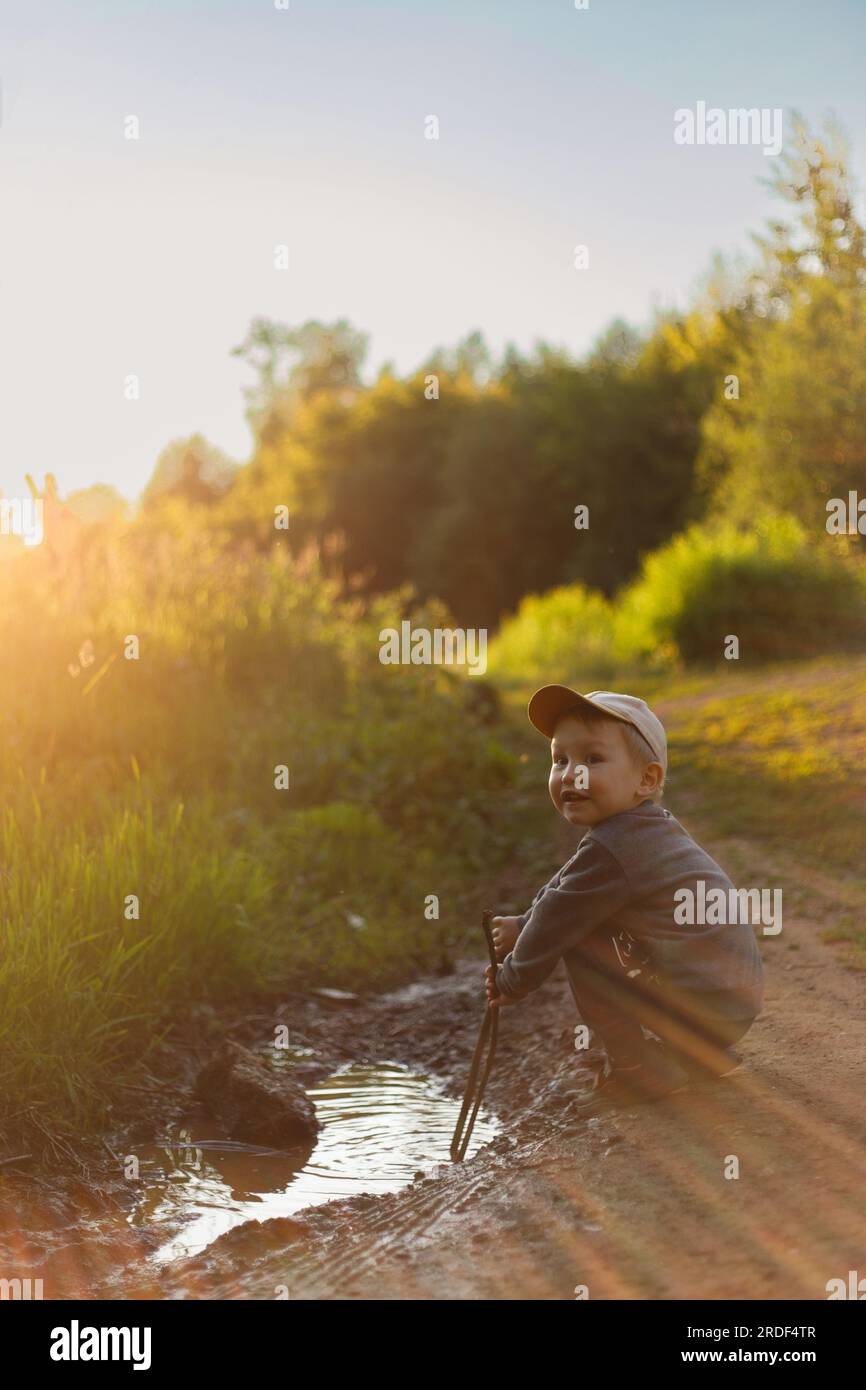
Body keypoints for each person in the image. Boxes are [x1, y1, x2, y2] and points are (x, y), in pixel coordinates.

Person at [484, 686, 764, 1116]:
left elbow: (561, 913)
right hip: (727, 1005)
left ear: (646, 780)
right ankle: (696, 1054)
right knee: (583, 916)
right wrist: (524, 923)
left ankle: (637, 1068)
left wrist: (511, 982)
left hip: (706, 1006)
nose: (571, 774)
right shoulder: (640, 831)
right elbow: (565, 888)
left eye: (593, 759)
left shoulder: (615, 848)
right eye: (560, 760)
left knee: (577, 934)